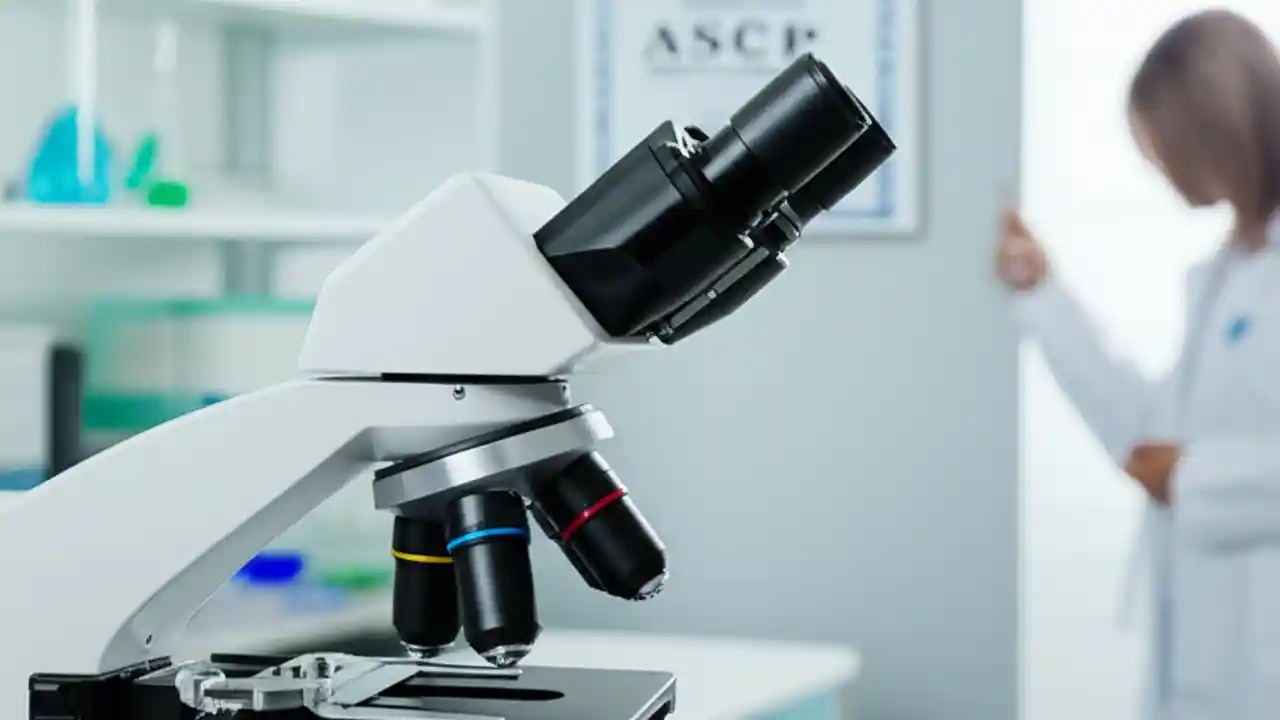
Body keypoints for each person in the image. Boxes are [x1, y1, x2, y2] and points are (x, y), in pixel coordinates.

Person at [997, 10, 1280, 720]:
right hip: (1206, 653)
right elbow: (1152, 430)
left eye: (1155, 138)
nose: (1153, 158)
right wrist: (1046, 295)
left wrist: (1193, 477)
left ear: (1207, 125)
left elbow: (1182, 462)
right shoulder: (1233, 267)